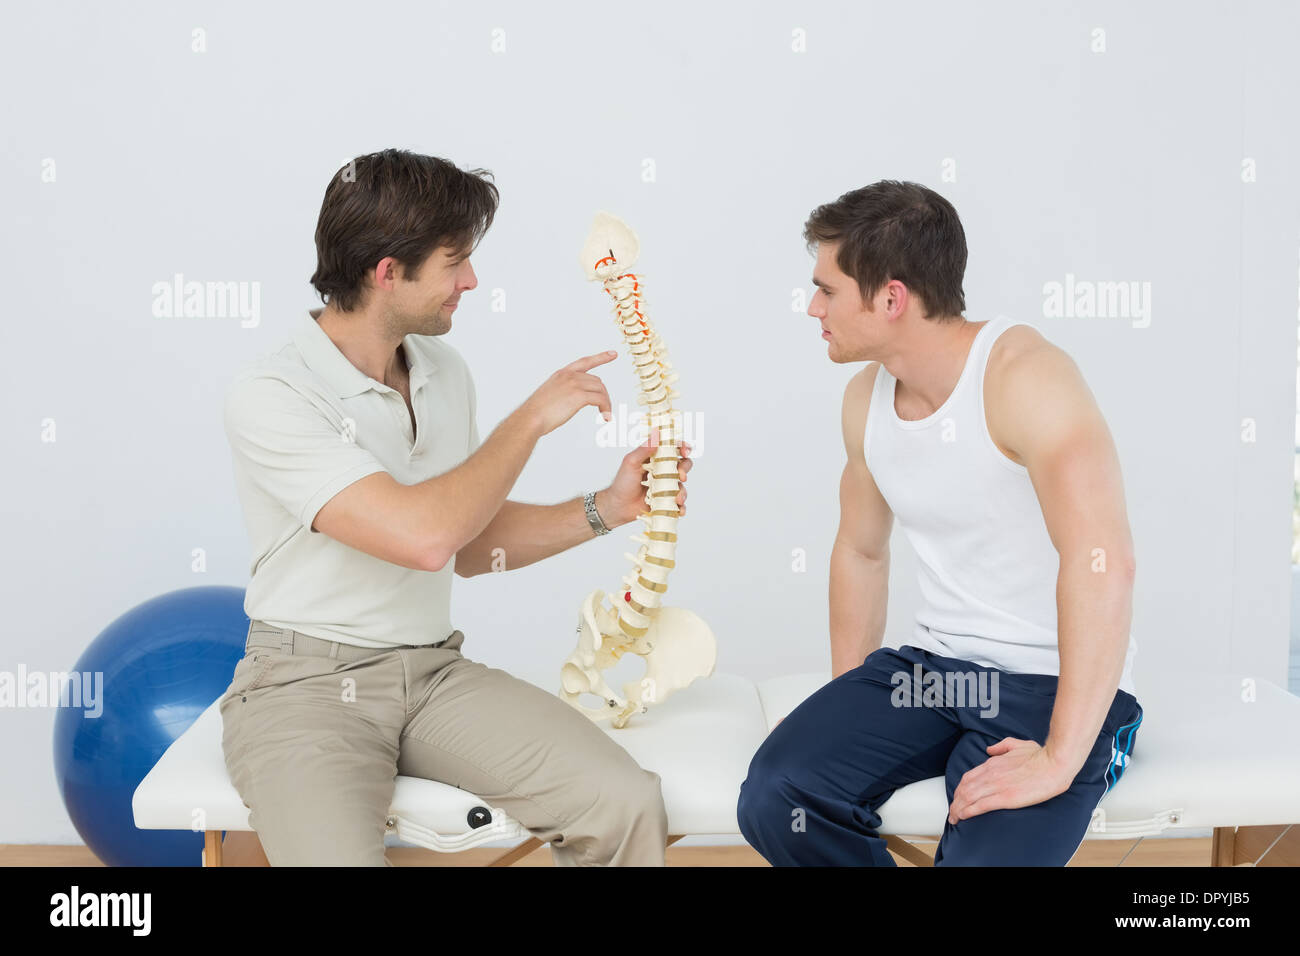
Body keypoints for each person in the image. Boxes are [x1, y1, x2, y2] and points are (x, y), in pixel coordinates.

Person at [219, 148, 693, 866]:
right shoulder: (273, 394)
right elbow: (425, 539)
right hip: (305, 687)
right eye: (454, 263)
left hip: (433, 674)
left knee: (622, 802)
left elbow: (469, 543)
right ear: (388, 273)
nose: (470, 281)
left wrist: (605, 507)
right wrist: (530, 418)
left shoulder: (442, 370)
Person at [736, 181, 1142, 866]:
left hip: (1050, 684)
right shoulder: (865, 399)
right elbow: (861, 553)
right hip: (933, 675)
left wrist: (1060, 756)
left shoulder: (1025, 377)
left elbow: (1104, 562)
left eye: (827, 290)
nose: (813, 308)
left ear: (890, 298)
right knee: (778, 794)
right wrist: (841, 711)